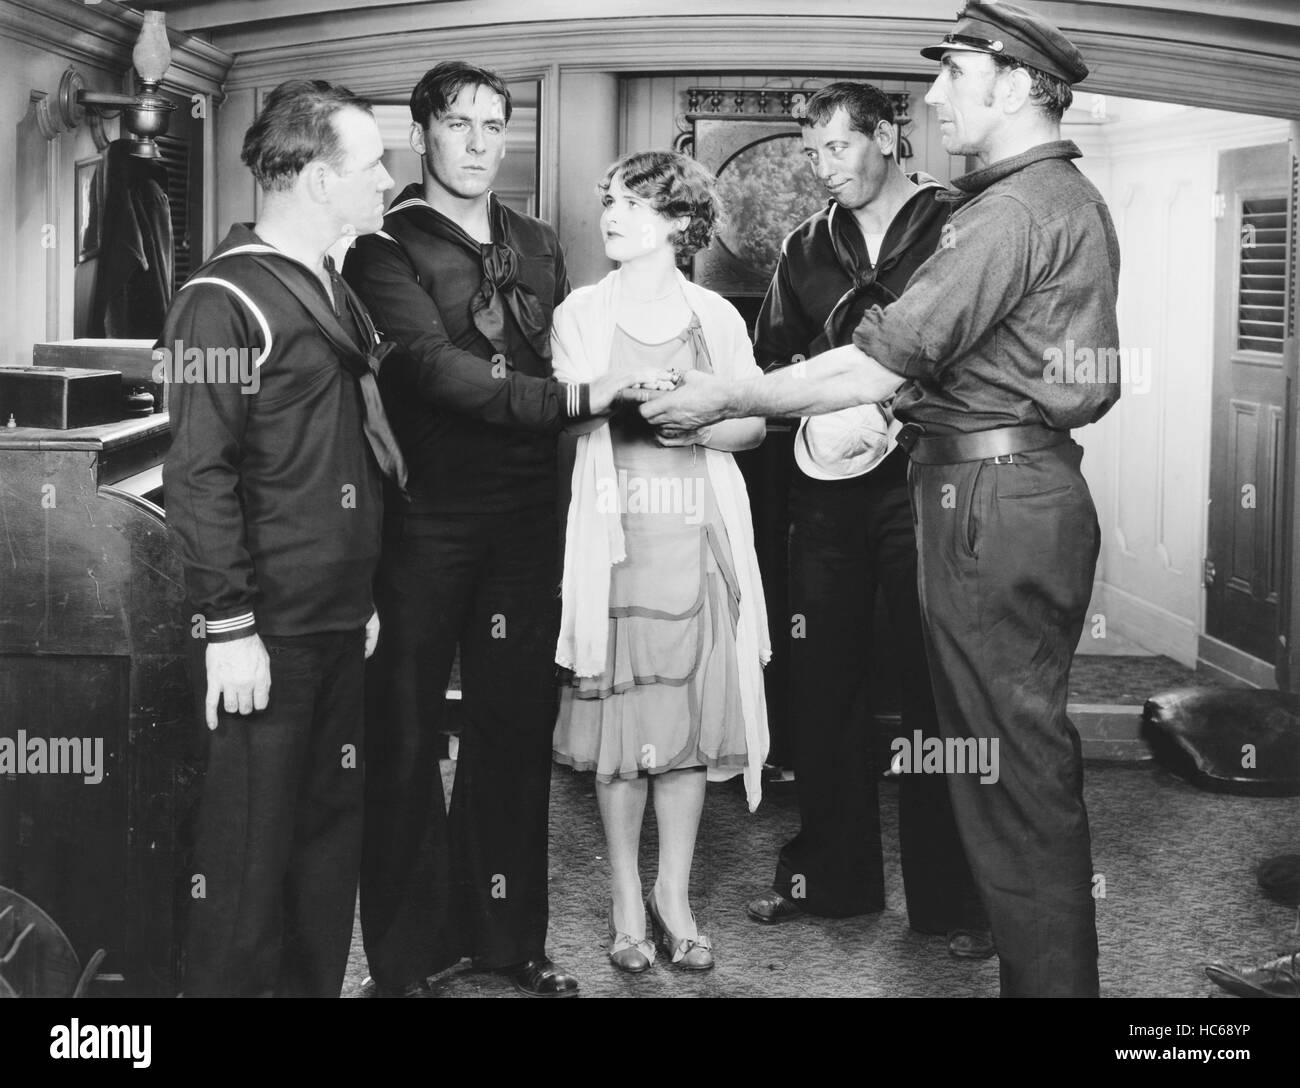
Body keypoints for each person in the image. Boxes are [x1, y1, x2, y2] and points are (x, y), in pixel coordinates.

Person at [641, 0, 1120, 997]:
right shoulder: (1024, 201)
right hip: (979, 485)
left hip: (989, 497)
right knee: (1000, 762)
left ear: (1021, 83)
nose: (937, 94)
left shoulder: (1012, 209)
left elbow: (875, 361)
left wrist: (728, 394)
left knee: (1013, 776)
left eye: (955, 73)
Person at [343, 61, 647, 998]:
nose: (479, 144)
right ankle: (408, 959)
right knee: (400, 733)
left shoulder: (540, 242)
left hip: (526, 516)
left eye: (493, 125)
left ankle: (508, 943)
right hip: (423, 519)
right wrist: (578, 397)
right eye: (459, 124)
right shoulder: (379, 250)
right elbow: (433, 372)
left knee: (513, 731)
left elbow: (570, 350)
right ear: (422, 132)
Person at [162, 79, 401, 996]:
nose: (388, 179)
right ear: (313, 178)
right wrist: (228, 627)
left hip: (335, 618)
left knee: (324, 839)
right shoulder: (214, 303)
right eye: (372, 164)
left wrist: (363, 597)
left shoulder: (330, 284)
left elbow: (343, 455)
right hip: (264, 630)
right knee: (249, 863)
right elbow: (200, 475)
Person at [744, 81, 989, 958]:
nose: (823, 168)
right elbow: (775, 354)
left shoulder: (961, 219)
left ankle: (956, 900)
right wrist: (830, 395)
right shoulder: (804, 243)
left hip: (929, 477)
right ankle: (829, 879)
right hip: (827, 484)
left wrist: (901, 399)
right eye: (811, 153)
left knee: (937, 688)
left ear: (887, 136)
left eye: (838, 147)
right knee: (823, 677)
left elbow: (986, 343)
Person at [551, 150, 770, 972]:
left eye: (637, 204)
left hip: (699, 536)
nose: (613, 215)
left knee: (685, 726)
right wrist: (629, 392)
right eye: (610, 199)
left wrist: (697, 422)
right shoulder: (580, 311)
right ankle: (623, 901)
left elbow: (751, 424)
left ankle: (673, 897)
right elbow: (565, 420)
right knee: (621, 725)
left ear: (680, 224)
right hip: (614, 541)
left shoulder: (715, 316)